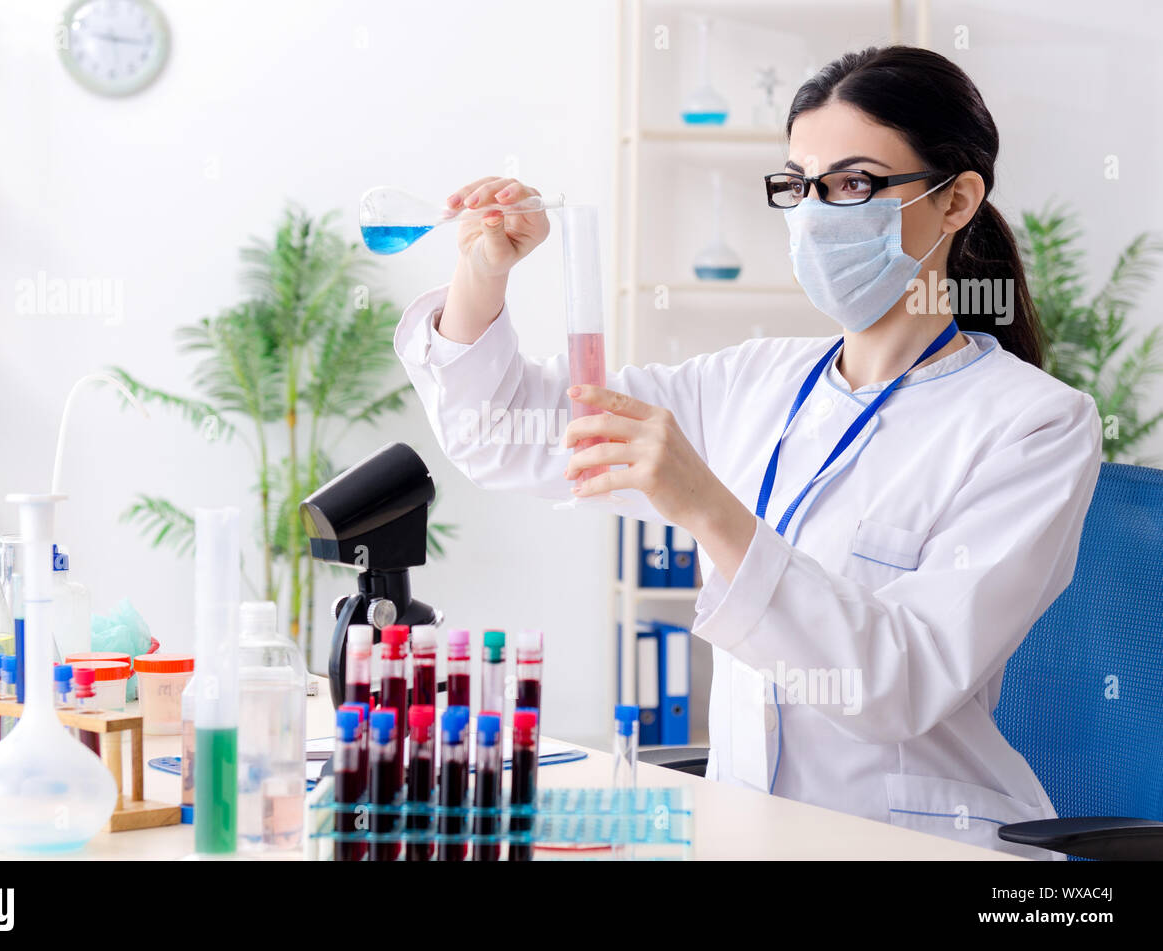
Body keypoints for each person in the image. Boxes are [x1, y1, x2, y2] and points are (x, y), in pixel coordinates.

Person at [393, 46, 1101, 859]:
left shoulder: (1036, 424)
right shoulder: (748, 382)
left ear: (956, 201)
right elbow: (502, 434)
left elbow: (899, 682)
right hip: (747, 829)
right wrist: (483, 273)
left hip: (917, 843)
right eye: (801, 185)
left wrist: (705, 506)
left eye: (855, 183)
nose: (817, 213)